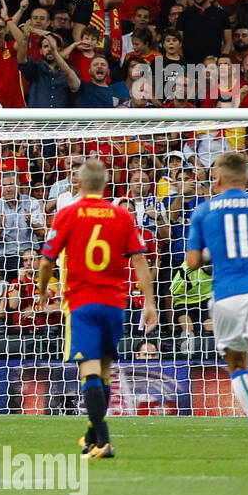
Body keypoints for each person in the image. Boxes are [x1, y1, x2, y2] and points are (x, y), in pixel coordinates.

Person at [36, 159, 157, 459]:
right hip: (115, 304)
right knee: (104, 371)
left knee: (88, 369)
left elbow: (46, 260)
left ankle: (102, 441)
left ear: (78, 182)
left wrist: (41, 293)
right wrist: (150, 302)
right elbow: (140, 259)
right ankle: (91, 436)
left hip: (81, 302)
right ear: (106, 184)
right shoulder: (122, 215)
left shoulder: (67, 214)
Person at [184, 151, 248, 457]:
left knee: (237, 366)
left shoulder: (204, 211)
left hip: (227, 294)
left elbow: (191, 262)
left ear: (218, 177)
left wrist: (212, 254)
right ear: (247, 177)